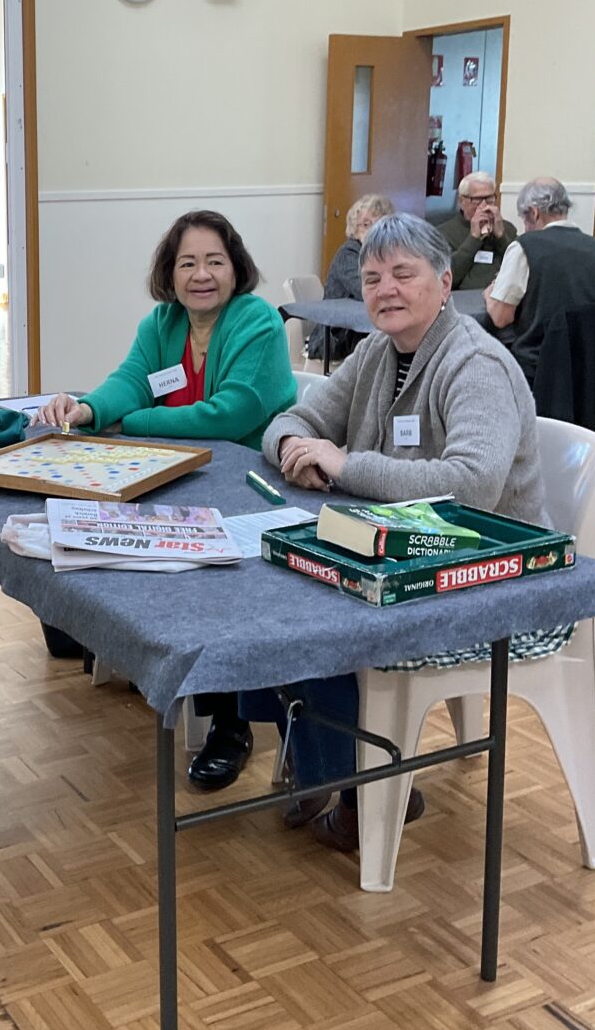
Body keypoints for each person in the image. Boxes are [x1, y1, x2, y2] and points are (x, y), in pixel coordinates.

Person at [249, 213, 555, 851]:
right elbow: (295, 418)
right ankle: (332, 768)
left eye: (403, 274)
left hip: (491, 579)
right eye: (371, 277)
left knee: (318, 612)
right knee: (271, 587)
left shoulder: (475, 365)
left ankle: (364, 790)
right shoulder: (376, 352)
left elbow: (470, 487)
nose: (384, 289)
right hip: (405, 554)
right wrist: (293, 450)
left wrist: (341, 464)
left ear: (445, 283)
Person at [38, 210, 296, 791]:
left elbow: (232, 415)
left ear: (235, 269)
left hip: (253, 490)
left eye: (214, 261)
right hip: (185, 480)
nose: (201, 275)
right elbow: (127, 381)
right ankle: (155, 665)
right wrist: (86, 410)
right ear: (169, 273)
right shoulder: (162, 323)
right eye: (187, 263)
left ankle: (231, 724)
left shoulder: (255, 321)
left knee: (214, 582)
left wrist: (131, 423)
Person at [484, 177, 595, 387]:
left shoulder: (525, 246)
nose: (525, 228)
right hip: (588, 372)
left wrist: (490, 296)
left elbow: (500, 317)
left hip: (535, 370)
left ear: (533, 213)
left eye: (524, 220)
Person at [305, 193, 394, 362]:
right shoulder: (349, 253)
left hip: (364, 333)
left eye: (379, 224)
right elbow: (367, 291)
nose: (373, 230)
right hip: (335, 338)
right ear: (354, 228)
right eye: (366, 225)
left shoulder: (385, 254)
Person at [438, 171, 517, 291]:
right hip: (463, 301)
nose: (484, 206)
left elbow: (520, 268)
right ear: (461, 201)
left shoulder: (507, 228)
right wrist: (473, 239)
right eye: (477, 200)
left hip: (502, 299)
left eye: (489, 198)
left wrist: (501, 237)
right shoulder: (443, 234)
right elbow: (446, 279)